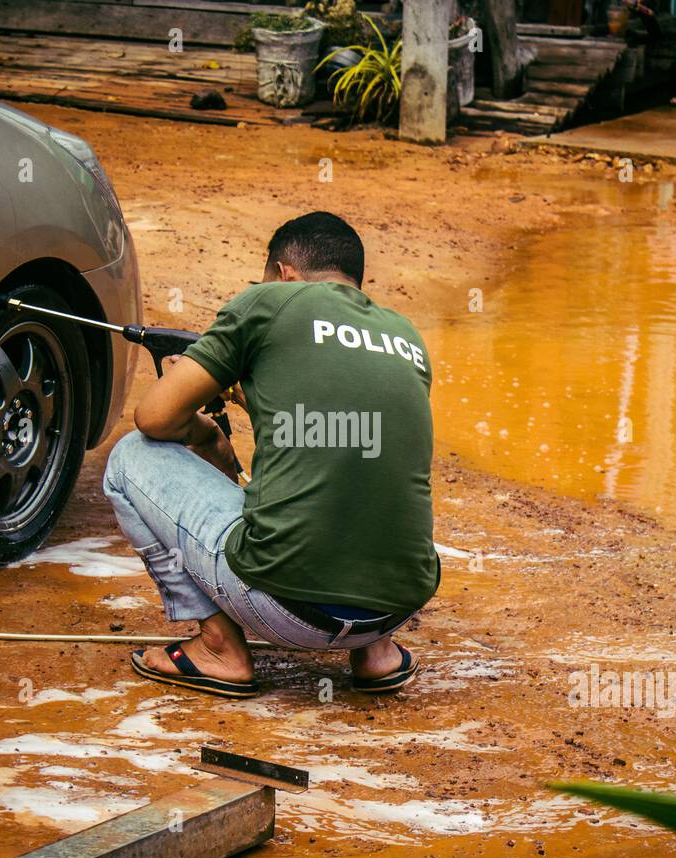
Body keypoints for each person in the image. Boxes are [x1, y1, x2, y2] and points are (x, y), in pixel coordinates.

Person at [102, 212, 439, 698]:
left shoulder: (269, 302)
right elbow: (340, 436)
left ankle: (220, 648)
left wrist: (200, 426)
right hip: (397, 604)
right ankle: (377, 653)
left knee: (131, 457)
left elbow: (154, 418)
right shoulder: (404, 335)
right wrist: (244, 396)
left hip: (285, 612)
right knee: (369, 463)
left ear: (283, 274)